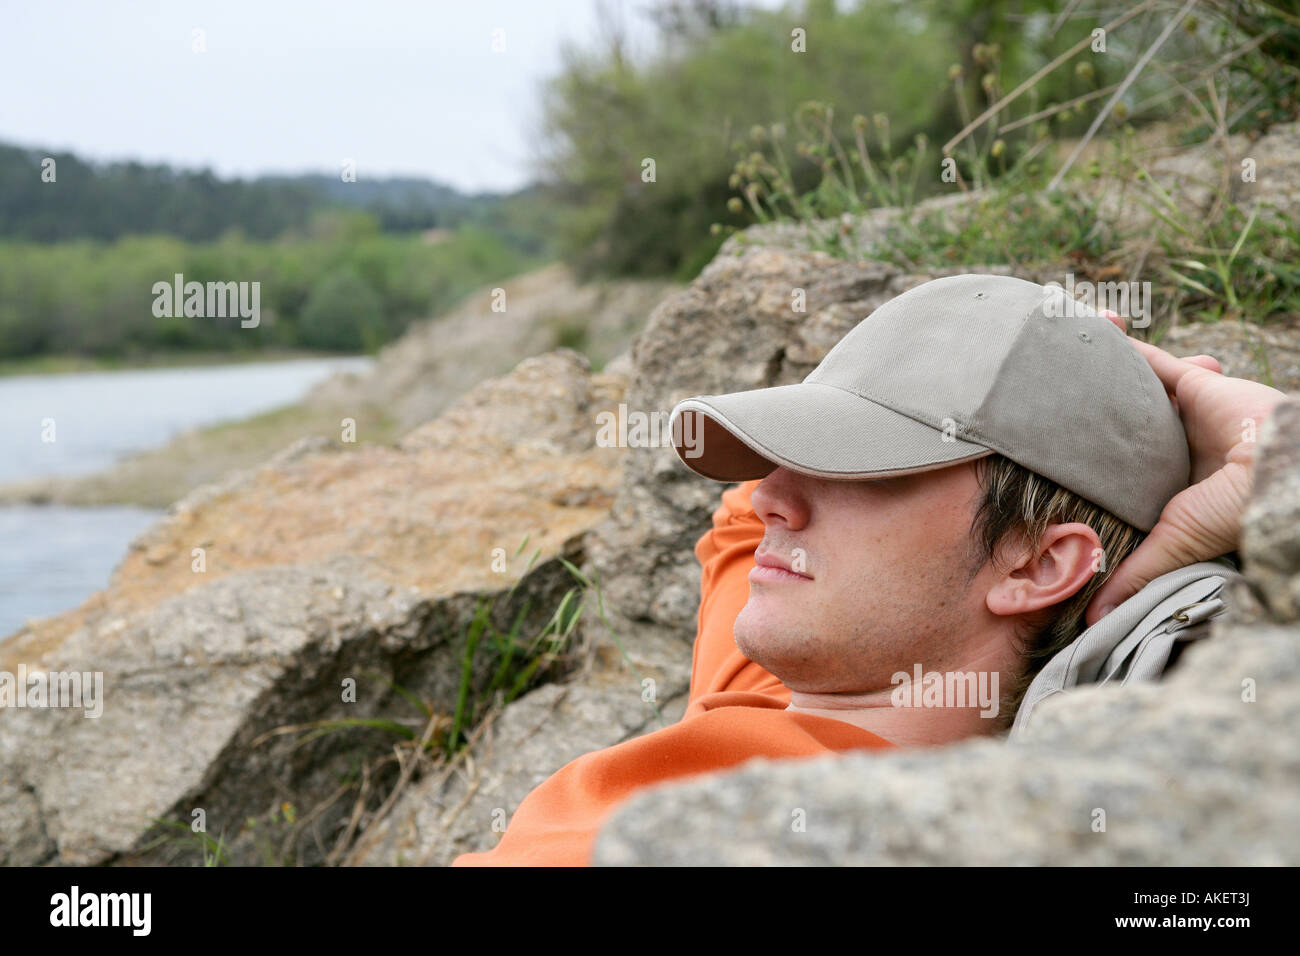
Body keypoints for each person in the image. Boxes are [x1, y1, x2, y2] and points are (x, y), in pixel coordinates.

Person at [452, 276, 1287, 866]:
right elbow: (746, 514)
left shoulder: (885, 837)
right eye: (793, 454)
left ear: (1038, 565)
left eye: (863, 468)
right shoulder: (767, 678)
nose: (775, 498)